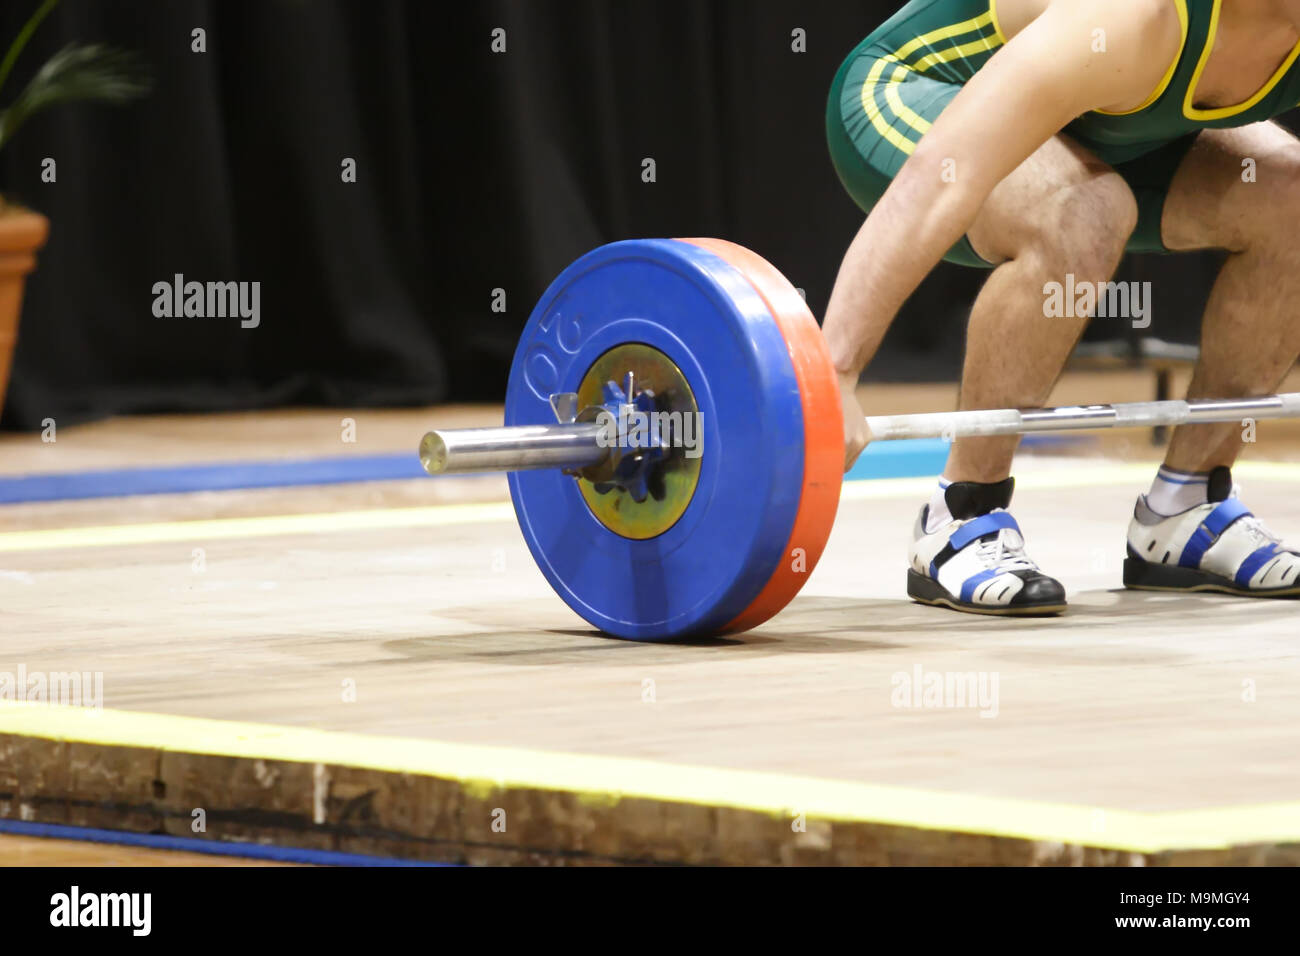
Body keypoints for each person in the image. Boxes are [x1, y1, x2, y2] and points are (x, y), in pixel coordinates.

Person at [824, 0, 1300, 614]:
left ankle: (1187, 507)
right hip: (918, 93)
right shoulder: (1134, 18)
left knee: (1288, 196)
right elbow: (942, 171)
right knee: (1082, 214)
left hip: (1103, 125)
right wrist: (833, 372)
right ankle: (963, 511)